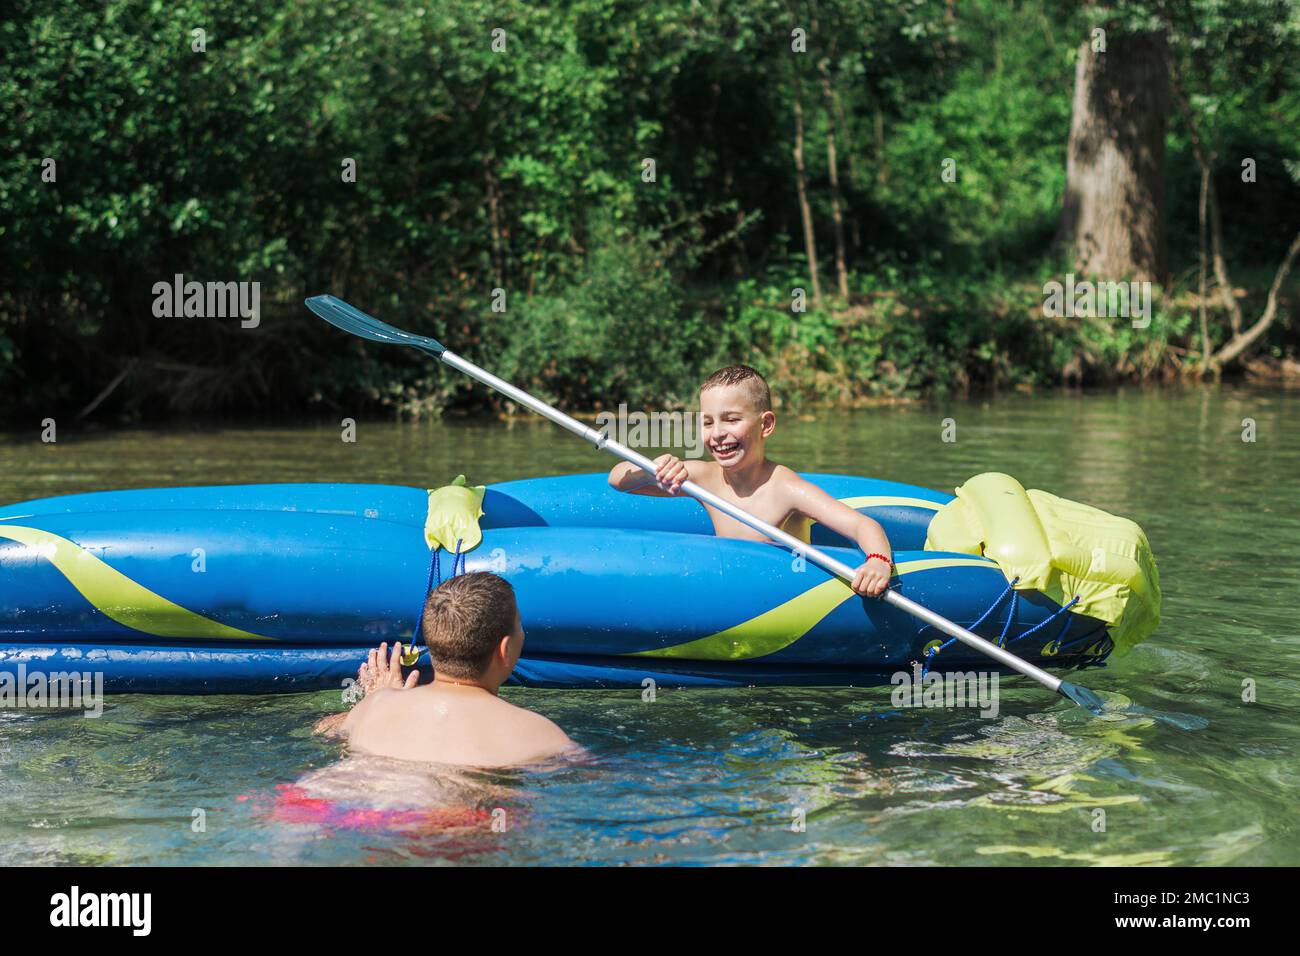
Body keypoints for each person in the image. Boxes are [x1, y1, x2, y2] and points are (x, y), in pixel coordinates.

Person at [608, 364, 894, 596]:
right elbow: (618, 479)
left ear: (765, 425)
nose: (717, 433)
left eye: (731, 419)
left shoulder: (786, 489)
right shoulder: (705, 478)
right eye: (708, 422)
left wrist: (878, 562)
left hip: (782, 596)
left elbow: (862, 525)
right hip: (729, 590)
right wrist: (652, 468)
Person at [314, 572, 578, 768]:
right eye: (519, 624)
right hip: (441, 824)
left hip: (323, 801)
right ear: (505, 648)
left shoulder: (376, 705)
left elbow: (322, 730)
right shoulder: (539, 734)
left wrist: (379, 699)